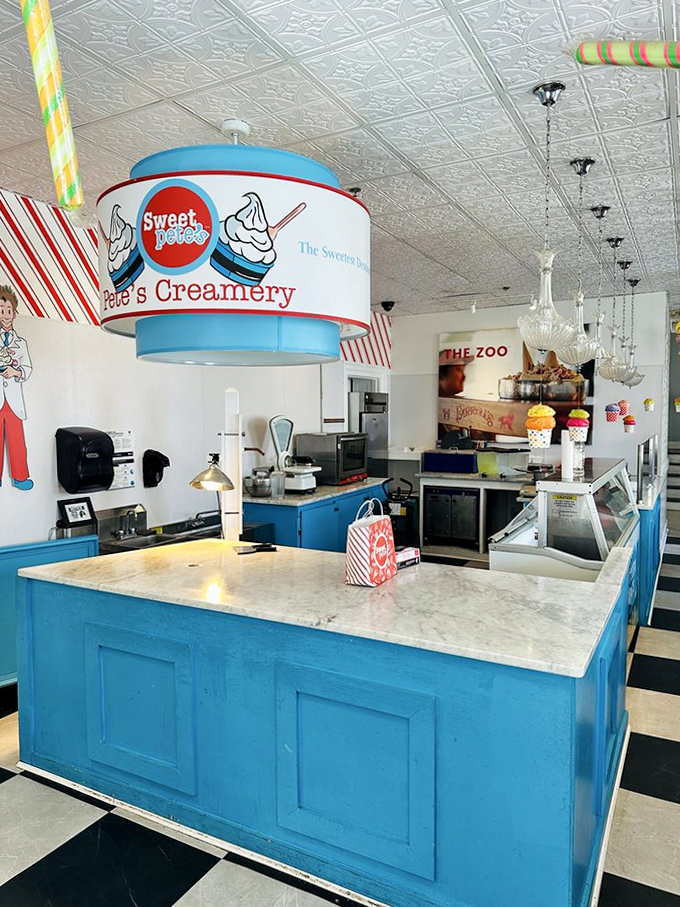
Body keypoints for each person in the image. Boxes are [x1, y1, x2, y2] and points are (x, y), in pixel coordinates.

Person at [0, 285, 33, 490]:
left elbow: (28, 367)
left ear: (15, 312)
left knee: (16, 439)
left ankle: (20, 476)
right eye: (1, 311)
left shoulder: (20, 343)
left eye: (9, 310)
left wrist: (16, 371)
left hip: (13, 398)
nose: (5, 315)